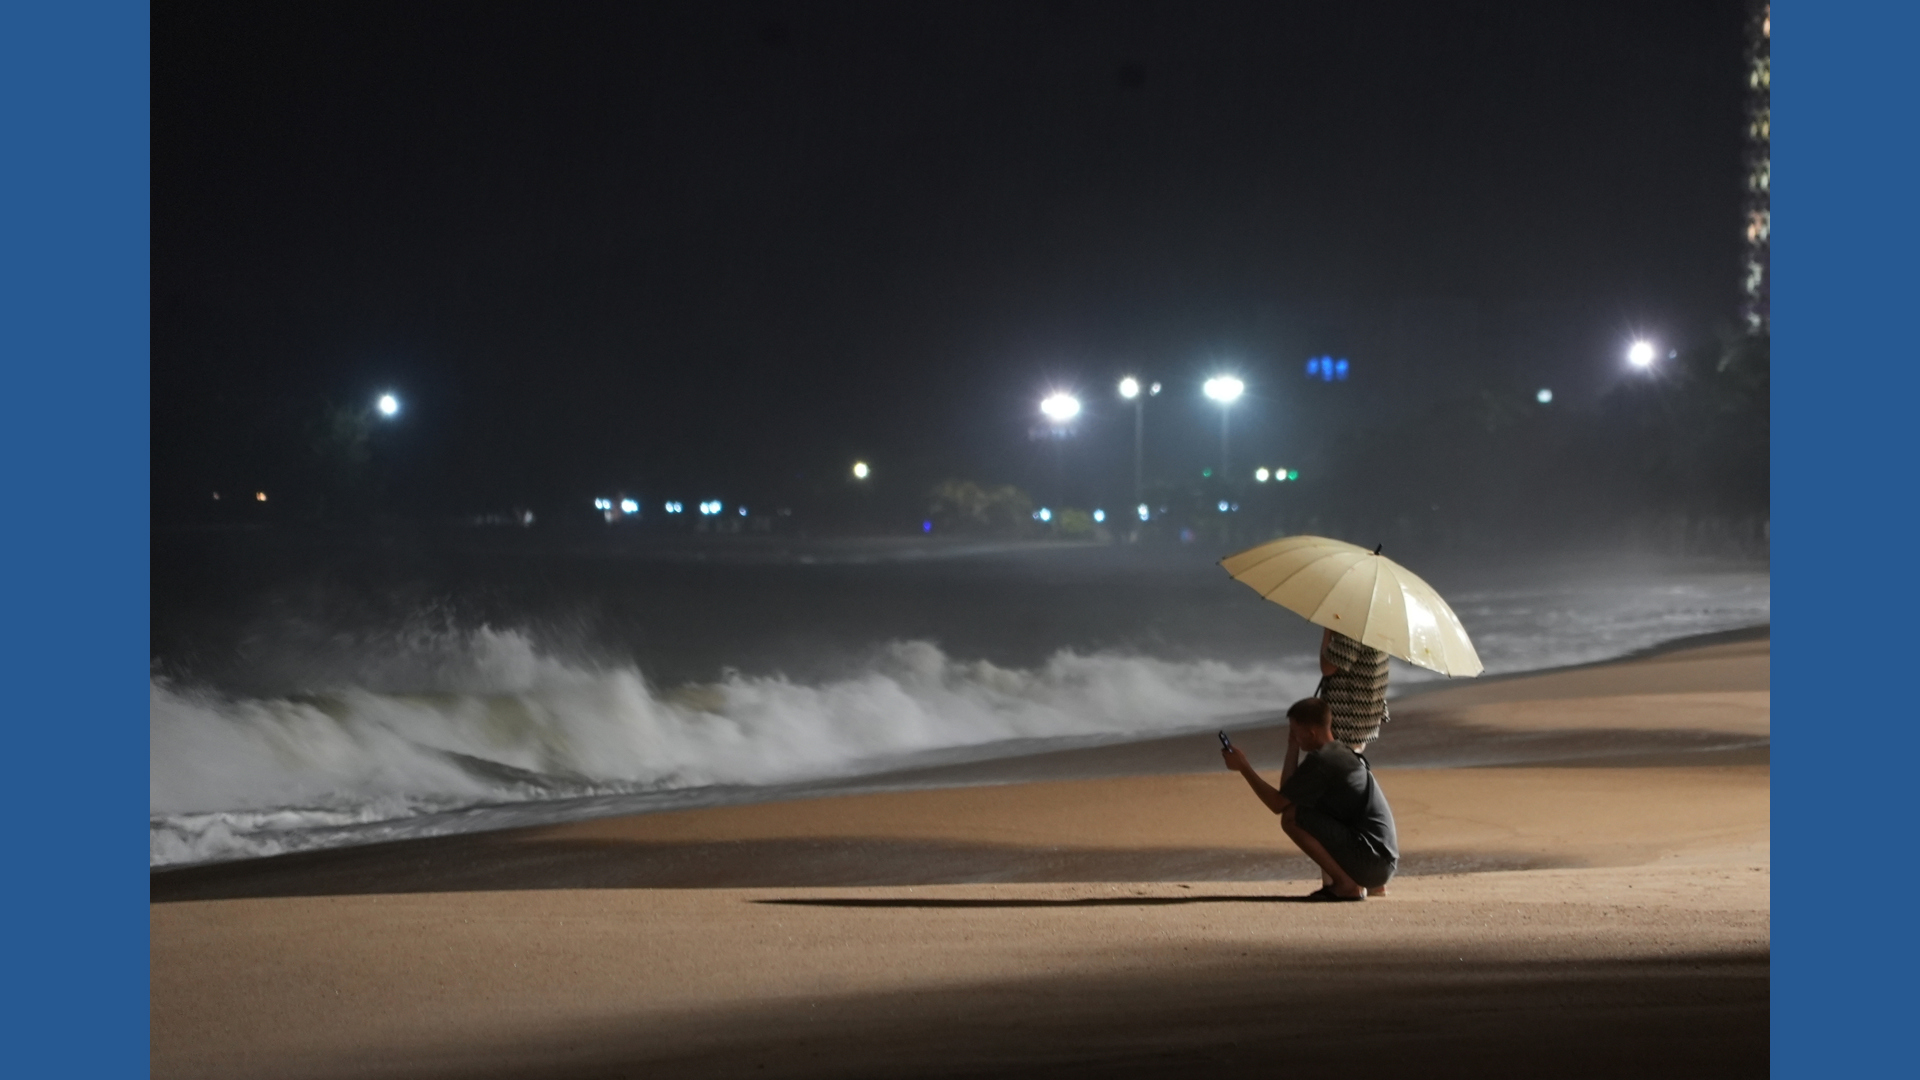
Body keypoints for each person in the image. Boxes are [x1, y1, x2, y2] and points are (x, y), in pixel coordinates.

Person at [1222, 697, 1398, 901]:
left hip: (1373, 863)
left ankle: (1346, 885)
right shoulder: (1338, 752)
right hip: (1380, 863)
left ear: (1311, 733)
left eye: (1296, 732)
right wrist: (1293, 746)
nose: (1294, 736)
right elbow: (1288, 791)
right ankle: (1357, 882)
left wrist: (1244, 768)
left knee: (1292, 817)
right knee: (1301, 810)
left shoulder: (1322, 762)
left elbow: (1278, 804)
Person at [1320, 626, 1389, 752]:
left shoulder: (1354, 629)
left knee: (1337, 763)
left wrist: (1328, 632)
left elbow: (1327, 667)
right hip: (1364, 716)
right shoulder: (1378, 625)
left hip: (1347, 720)